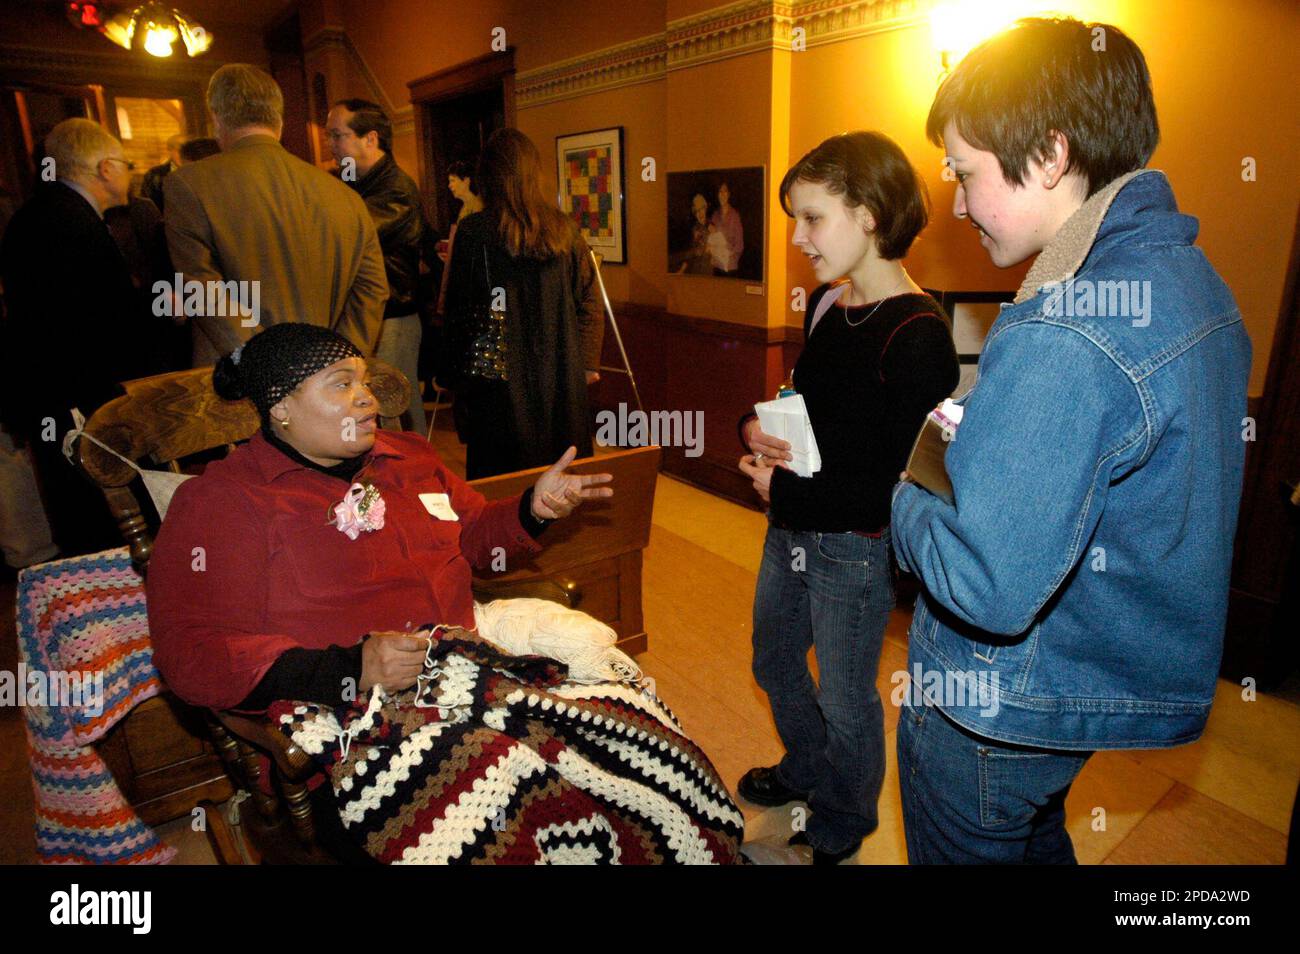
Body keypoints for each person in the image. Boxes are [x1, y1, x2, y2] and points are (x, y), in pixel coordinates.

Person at [890, 17, 1252, 864]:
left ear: (1050, 157)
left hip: (996, 703)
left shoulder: (1067, 331)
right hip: (1082, 684)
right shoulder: (1194, 282)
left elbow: (986, 584)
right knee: (1035, 833)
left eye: (965, 171)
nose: (955, 201)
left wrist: (903, 500)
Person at [143, 323, 620, 862]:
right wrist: (352, 667)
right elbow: (192, 651)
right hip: (361, 725)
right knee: (514, 800)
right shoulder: (224, 503)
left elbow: (478, 544)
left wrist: (533, 509)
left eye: (364, 382)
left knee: (621, 745)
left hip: (471, 672)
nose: (366, 398)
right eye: (341, 383)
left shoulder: (409, 457)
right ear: (280, 407)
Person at [735, 132, 959, 865]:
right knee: (773, 662)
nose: (797, 238)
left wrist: (786, 486)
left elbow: (885, 487)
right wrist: (761, 429)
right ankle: (806, 768)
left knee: (845, 696)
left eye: (812, 218)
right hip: (791, 524)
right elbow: (812, 404)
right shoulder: (829, 303)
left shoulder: (920, 335)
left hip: (852, 549)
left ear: (868, 214)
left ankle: (844, 808)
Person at [164, 64, 388, 366]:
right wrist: (334, 362)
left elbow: (202, 291)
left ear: (216, 118)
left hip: (236, 384)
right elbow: (372, 290)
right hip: (324, 384)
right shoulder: (345, 195)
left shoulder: (189, 185)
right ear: (278, 120)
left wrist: (272, 367)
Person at [0, 118, 154, 556]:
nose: (130, 174)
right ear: (105, 168)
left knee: (78, 507)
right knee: (100, 515)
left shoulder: (41, 213)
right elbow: (99, 320)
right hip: (79, 401)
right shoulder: (70, 222)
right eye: (126, 164)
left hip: (55, 395)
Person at [443, 129, 604, 479]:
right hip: (559, 365)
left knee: (503, 482)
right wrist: (586, 362)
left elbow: (459, 312)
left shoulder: (474, 231)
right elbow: (589, 299)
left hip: (496, 372)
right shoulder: (564, 230)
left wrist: (453, 376)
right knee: (560, 471)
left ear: (489, 175)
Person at [327, 98, 434, 433]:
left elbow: (347, 236)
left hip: (393, 317)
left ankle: (415, 480)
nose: (330, 145)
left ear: (370, 139)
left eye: (337, 135)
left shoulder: (396, 189)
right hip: (368, 314)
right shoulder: (349, 184)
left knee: (394, 408)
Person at [140, 133, 185, 213]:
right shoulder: (154, 174)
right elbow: (148, 205)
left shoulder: (199, 172)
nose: (182, 155)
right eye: (178, 150)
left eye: (186, 151)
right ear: (170, 150)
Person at [710, 180, 743, 274]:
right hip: (716, 266)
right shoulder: (715, 215)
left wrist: (728, 254)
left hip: (730, 268)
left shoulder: (735, 216)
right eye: (720, 191)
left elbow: (739, 245)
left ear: (729, 194)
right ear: (717, 194)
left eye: (725, 191)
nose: (722, 194)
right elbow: (711, 238)